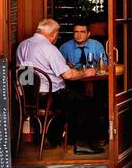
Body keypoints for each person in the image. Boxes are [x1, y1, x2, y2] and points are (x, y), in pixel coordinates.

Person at [16, 18, 102, 155]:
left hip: (29, 98)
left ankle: (55, 138)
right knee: (89, 103)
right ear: (53, 33)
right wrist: (86, 72)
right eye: (57, 34)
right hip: (50, 97)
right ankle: (81, 143)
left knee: (73, 99)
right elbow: (67, 75)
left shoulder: (23, 45)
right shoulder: (49, 48)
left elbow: (27, 73)